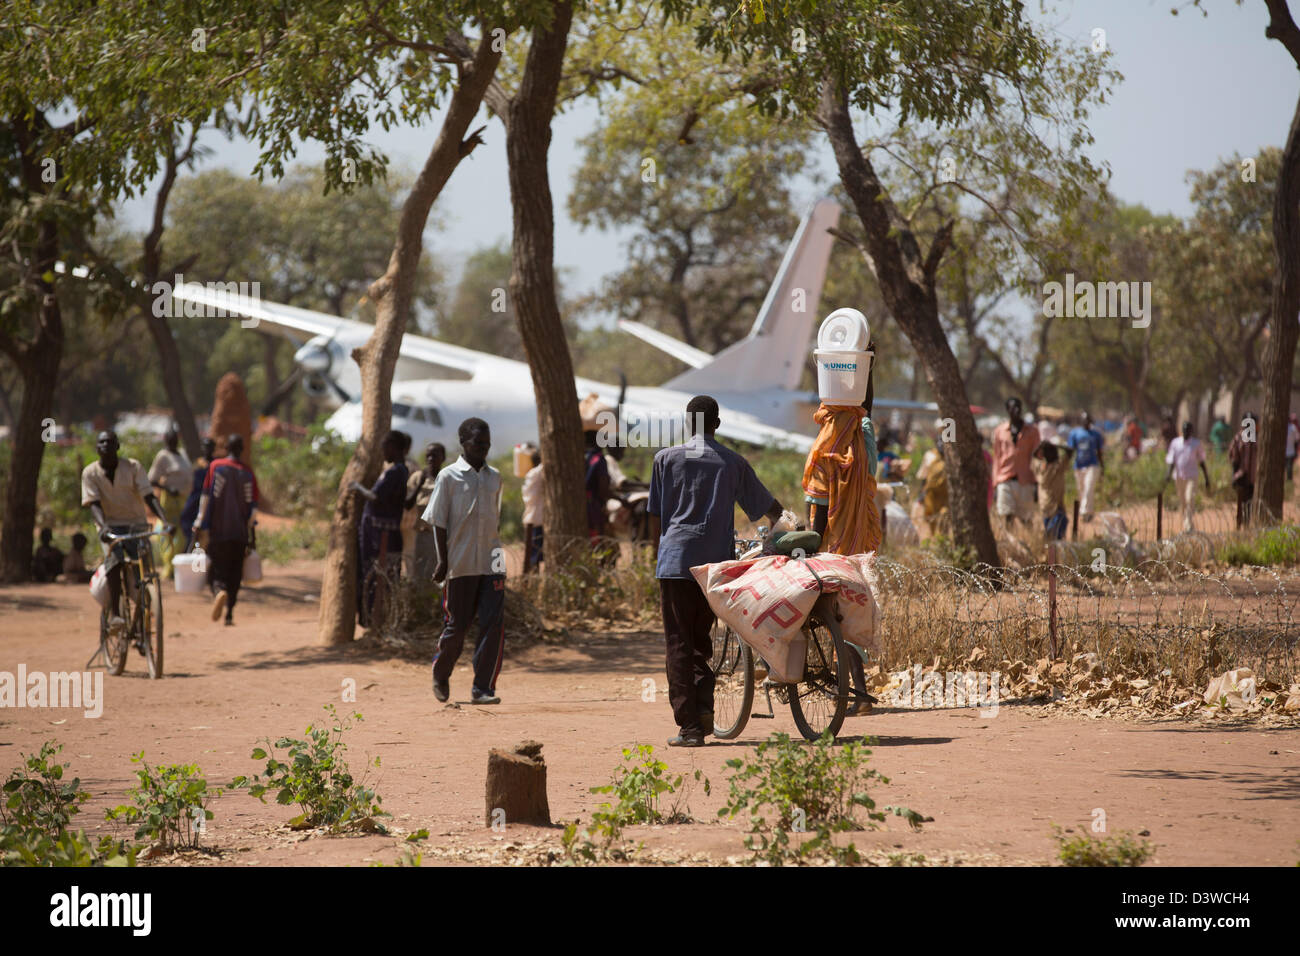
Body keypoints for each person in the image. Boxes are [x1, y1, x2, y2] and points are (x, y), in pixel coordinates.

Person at [648, 395, 784, 747]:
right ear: (718, 425)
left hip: (675, 563)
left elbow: (656, 518)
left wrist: (658, 558)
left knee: (678, 642)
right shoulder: (732, 463)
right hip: (714, 567)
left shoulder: (665, 459)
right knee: (700, 641)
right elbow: (768, 506)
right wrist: (789, 526)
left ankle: (690, 727)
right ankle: (704, 710)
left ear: (686, 423)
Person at [802, 341, 881, 717]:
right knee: (851, 613)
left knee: (834, 617)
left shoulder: (826, 445)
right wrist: (868, 367)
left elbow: (817, 506)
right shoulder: (862, 433)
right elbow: (865, 410)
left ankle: (856, 692)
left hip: (833, 543)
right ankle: (856, 692)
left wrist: (809, 546)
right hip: (860, 539)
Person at [424, 417, 505, 706]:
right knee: (457, 626)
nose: (483, 449)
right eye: (477, 443)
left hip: (492, 561)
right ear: (463, 443)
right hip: (460, 564)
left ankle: (482, 688)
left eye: (487, 444)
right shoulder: (448, 477)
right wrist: (442, 561)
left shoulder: (494, 477)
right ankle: (441, 671)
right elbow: (438, 521)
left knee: (493, 624)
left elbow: (495, 518)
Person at [82, 430, 172, 639]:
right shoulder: (90, 473)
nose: (105, 446)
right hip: (109, 526)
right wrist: (103, 526)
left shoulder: (133, 467)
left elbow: (149, 496)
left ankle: (142, 620)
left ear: (117, 446)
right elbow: (93, 504)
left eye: (110, 442)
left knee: (143, 572)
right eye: (102, 442)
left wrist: (164, 520)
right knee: (115, 561)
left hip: (136, 525)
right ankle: (115, 615)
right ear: (97, 448)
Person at [193, 434, 258, 626]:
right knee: (235, 572)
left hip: (218, 530)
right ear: (242, 449)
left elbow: (205, 498)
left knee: (217, 570)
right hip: (239, 534)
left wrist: (199, 522)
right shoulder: (248, 472)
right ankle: (229, 613)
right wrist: (252, 535)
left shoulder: (215, 467)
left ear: (227, 447)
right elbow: (252, 510)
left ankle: (218, 590)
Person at [351, 430, 410, 628]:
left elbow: (375, 497)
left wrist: (357, 487)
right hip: (382, 532)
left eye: (386, 447)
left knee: (374, 574)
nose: (383, 452)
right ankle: (378, 620)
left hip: (378, 535)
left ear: (394, 447)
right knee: (380, 575)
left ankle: (373, 620)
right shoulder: (401, 470)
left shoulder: (394, 472)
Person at [148, 424, 191, 579]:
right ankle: (169, 566)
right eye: (170, 439)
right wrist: (166, 487)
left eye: (175, 438)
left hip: (183, 499)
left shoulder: (182, 454)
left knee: (183, 531)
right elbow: (151, 480)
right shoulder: (163, 456)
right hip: (169, 500)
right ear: (166, 440)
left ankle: (179, 563)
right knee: (169, 531)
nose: (173, 441)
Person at [991, 398, 1041, 531]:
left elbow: (1037, 457)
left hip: (1025, 480)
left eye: (1018, 407)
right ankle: (1010, 543)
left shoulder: (1032, 431)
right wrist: (995, 483)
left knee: (1026, 518)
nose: (1016, 410)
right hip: (1005, 479)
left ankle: (1030, 542)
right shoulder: (999, 431)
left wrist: (1037, 482)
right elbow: (996, 457)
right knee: (1007, 516)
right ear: (1008, 410)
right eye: (1013, 407)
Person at [404, 441, 445, 583]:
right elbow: (407, 503)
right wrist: (420, 484)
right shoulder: (418, 477)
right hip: (422, 533)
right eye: (428, 456)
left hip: (441, 535)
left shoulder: (447, 479)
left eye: (435, 455)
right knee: (418, 574)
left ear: (443, 458)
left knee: (437, 574)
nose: (430, 459)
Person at [1163, 421, 1210, 534]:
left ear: (1191, 431)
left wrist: (1207, 478)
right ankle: (1185, 521)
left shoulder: (1196, 444)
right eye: (1183, 430)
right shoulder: (1175, 443)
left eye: (1187, 430)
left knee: (1190, 498)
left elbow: (1202, 462)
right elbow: (1171, 461)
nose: (1185, 432)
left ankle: (1188, 524)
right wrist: (1168, 475)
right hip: (1179, 477)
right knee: (1182, 501)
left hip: (1191, 476)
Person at [180, 437, 217, 553]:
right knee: (188, 522)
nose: (207, 449)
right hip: (196, 499)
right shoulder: (198, 464)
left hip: (210, 500)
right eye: (205, 447)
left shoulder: (215, 465)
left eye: (210, 447)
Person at [1067, 411, 1104, 522]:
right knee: (1082, 490)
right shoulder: (1075, 433)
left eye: (1088, 420)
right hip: (1079, 466)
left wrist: (1102, 466)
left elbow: (1099, 451)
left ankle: (1084, 512)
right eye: (1084, 420)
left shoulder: (1096, 434)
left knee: (1089, 487)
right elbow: (1071, 450)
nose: (1086, 422)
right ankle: (1089, 512)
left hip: (1092, 465)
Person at [1032, 441, 1074, 541]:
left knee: (1055, 534)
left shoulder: (1057, 466)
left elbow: (1070, 451)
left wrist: (1052, 445)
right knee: (1054, 535)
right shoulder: (1045, 466)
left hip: (1053, 506)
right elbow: (1070, 451)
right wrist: (1052, 445)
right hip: (1049, 506)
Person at [1228, 414, 1258, 529]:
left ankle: (1246, 527)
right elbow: (1233, 457)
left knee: (1249, 505)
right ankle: (1239, 528)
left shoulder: (1257, 438)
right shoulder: (1239, 438)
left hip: (1253, 478)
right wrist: (1235, 476)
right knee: (1241, 505)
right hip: (1242, 477)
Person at [521, 449, 544, 574]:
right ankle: (532, 582)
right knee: (534, 555)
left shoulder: (533, 473)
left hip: (535, 518)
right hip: (536, 520)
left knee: (535, 554)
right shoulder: (536, 473)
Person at [1286, 413, 1299, 483]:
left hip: (1285, 451)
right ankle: (1289, 480)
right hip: (1291, 451)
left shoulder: (1282, 428)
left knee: (1287, 466)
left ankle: (1288, 480)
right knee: (1289, 466)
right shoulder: (1293, 428)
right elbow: (1297, 439)